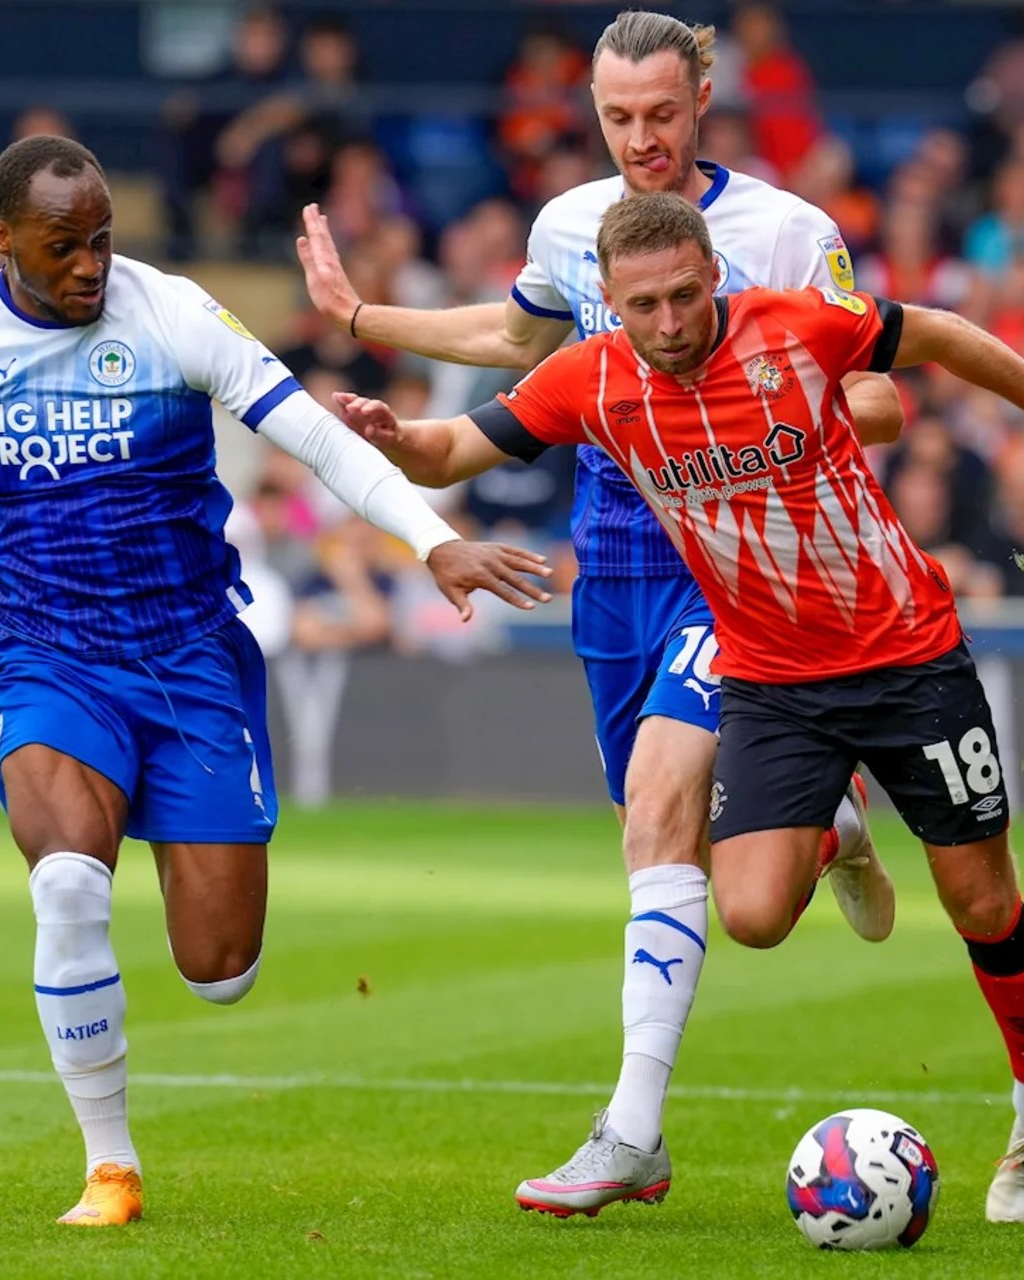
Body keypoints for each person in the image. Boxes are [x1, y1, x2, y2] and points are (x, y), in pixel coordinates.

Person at [333, 190, 1024, 1225]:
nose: (669, 323)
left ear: (713, 278)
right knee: (749, 915)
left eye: (685, 296)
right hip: (771, 681)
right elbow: (450, 450)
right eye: (641, 305)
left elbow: (944, 337)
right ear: (608, 301)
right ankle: (834, 827)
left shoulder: (797, 325)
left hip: (906, 656)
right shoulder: (589, 378)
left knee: (982, 907)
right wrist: (389, 432)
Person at [0, 136, 551, 1227]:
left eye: (102, 238)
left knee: (219, 967)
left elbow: (313, 434)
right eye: (61, 246)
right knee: (67, 882)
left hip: (190, 660)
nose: (89, 264)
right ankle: (109, 1163)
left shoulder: (172, 312)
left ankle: (181, 853)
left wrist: (427, 538)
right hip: (49, 660)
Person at [295, 11, 904, 1218]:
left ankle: (628, 1131)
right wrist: (366, 323)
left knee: (656, 819)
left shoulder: (784, 232)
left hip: (739, 562)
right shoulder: (570, 227)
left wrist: (744, 403)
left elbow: (876, 395)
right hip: (613, 563)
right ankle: (827, 821)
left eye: (662, 115)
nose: (641, 140)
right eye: (617, 118)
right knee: (672, 845)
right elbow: (519, 340)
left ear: (702, 97)